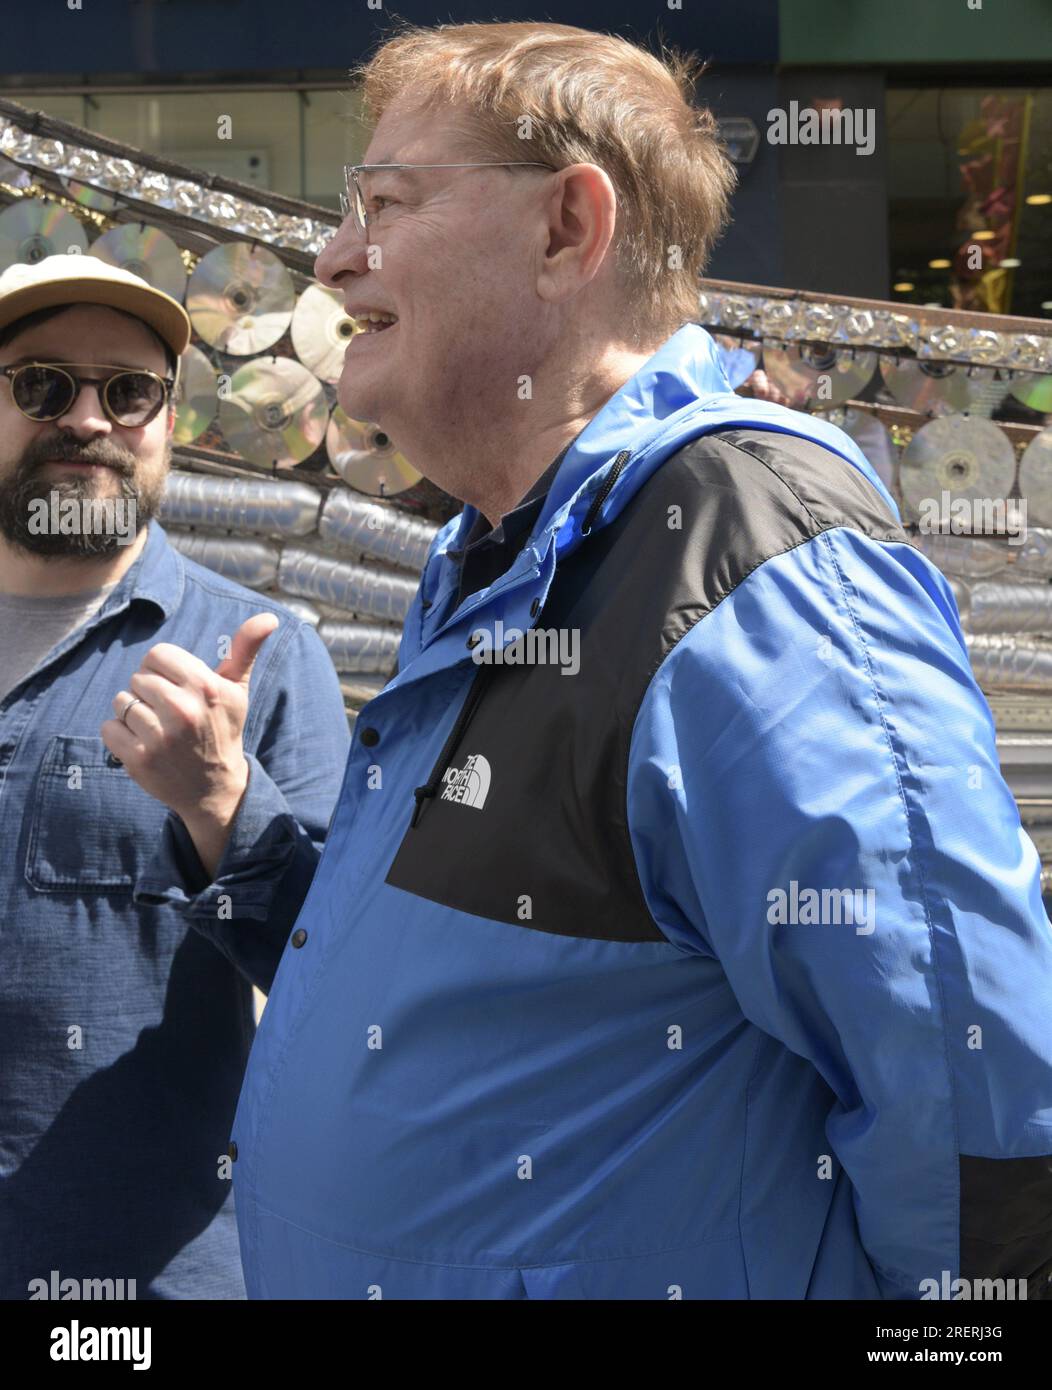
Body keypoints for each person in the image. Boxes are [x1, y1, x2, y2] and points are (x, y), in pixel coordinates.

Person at [129, 21, 1052, 1299]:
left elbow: (972, 1086)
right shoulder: (507, 553)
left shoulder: (739, 549)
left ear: (567, 230)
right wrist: (227, 818)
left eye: (384, 201)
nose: (334, 253)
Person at [0, 255, 350, 1299]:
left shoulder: (259, 655)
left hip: (132, 1282)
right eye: (43, 386)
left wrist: (220, 807)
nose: (89, 419)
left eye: (130, 390)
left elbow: (343, 976)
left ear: (167, 420)